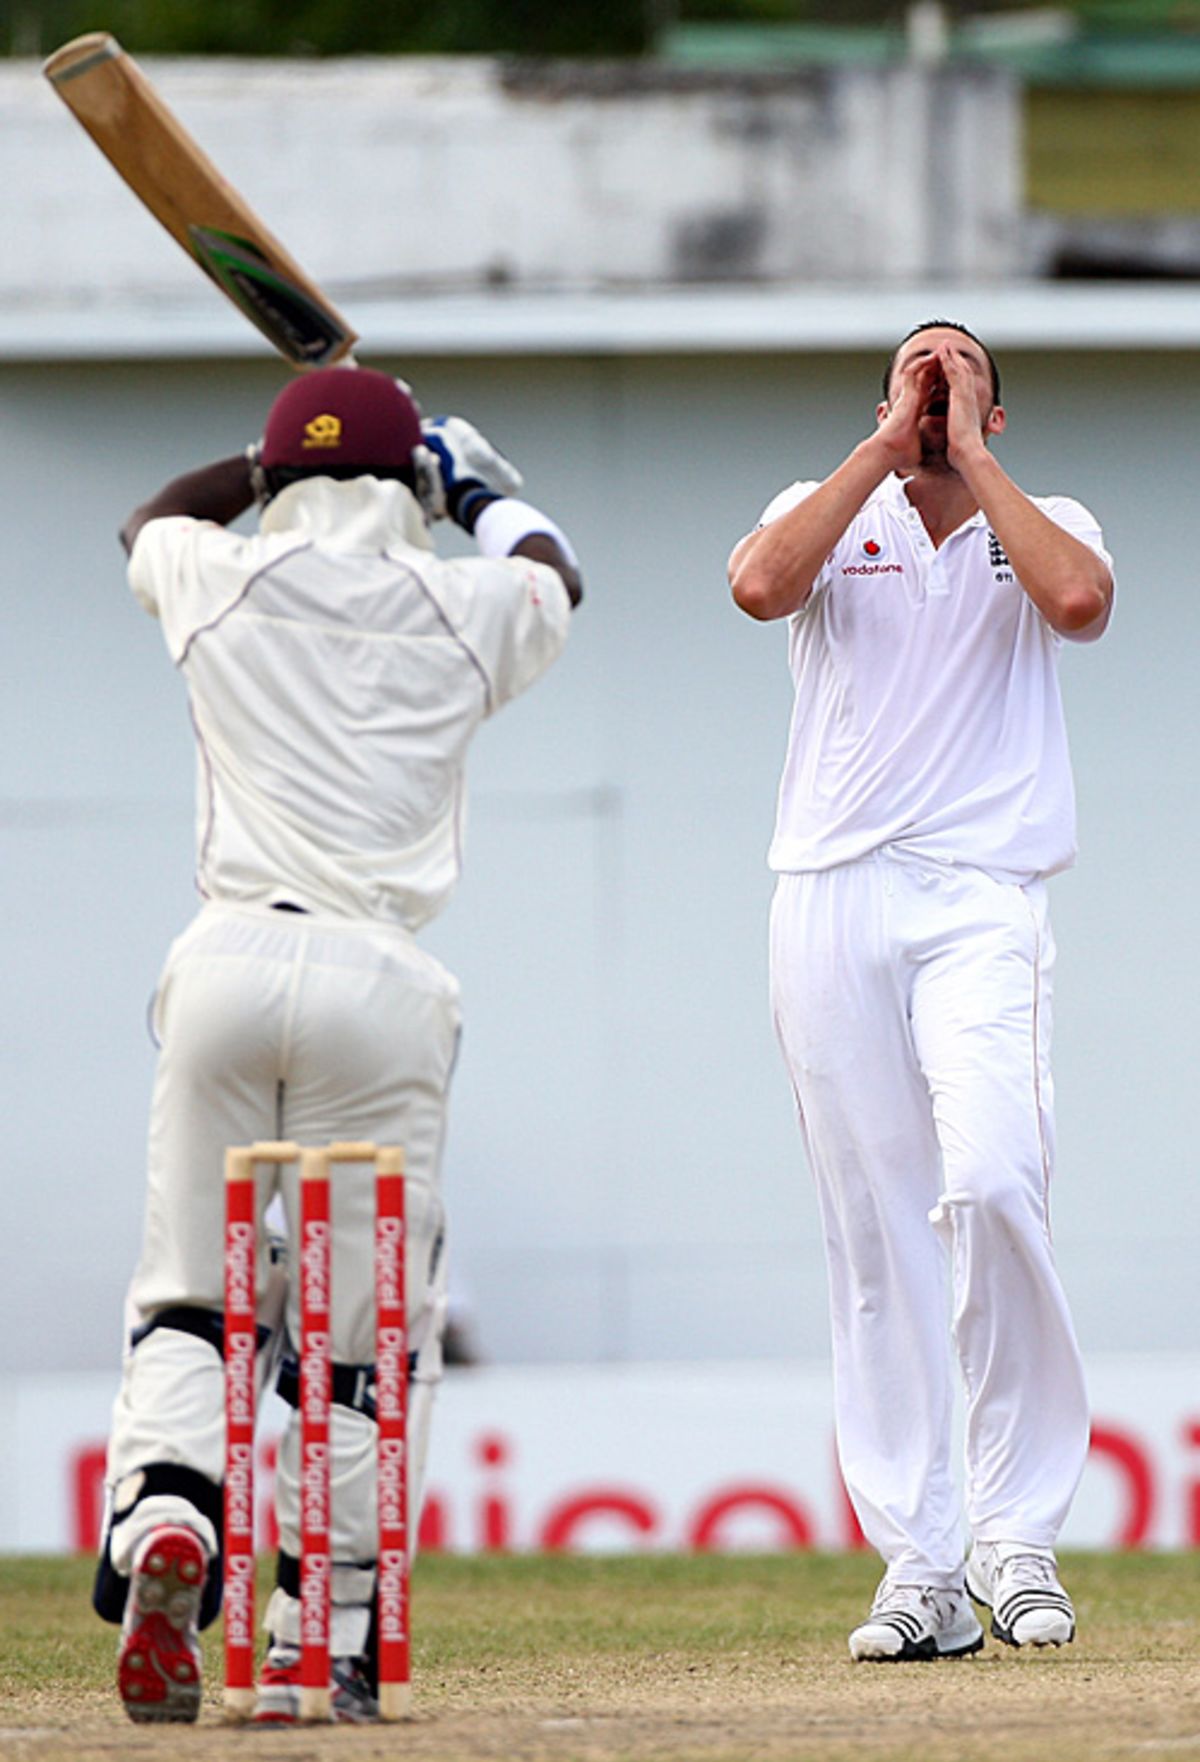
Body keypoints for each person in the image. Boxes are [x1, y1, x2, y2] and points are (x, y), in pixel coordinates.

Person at [93, 366, 582, 1723]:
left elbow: (147, 519)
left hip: (225, 963)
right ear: (402, 486)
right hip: (380, 980)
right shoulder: (462, 605)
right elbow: (557, 575)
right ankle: (324, 1637)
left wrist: (262, 467)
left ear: (278, 480)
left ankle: (169, 1517)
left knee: (190, 1294)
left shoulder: (221, 575)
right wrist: (469, 491)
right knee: (358, 1345)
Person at [728, 321, 1113, 1662]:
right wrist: (888, 449)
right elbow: (759, 585)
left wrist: (969, 464)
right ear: (884, 399)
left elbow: (1079, 603)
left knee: (997, 1179)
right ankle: (924, 1564)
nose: (938, 382)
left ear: (997, 415)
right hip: (831, 892)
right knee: (873, 1230)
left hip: (981, 895)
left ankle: (1018, 1534)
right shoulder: (825, 506)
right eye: (918, 368)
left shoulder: (1047, 518)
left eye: (962, 374)